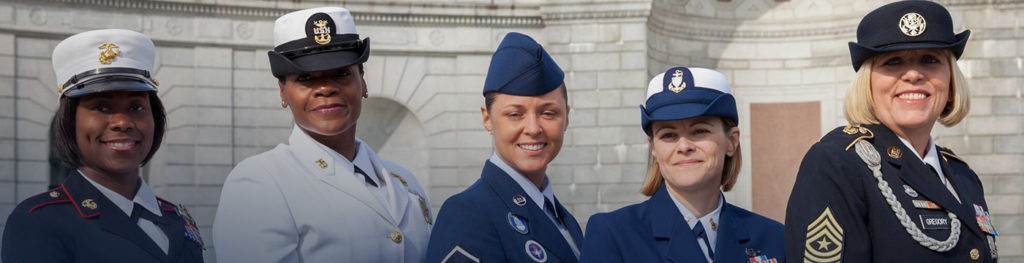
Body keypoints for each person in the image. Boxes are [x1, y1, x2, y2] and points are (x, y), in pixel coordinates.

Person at [212, 7, 432, 263]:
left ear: (363, 82)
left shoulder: (406, 183)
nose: (326, 88)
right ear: (283, 93)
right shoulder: (257, 185)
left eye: (341, 73)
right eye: (306, 79)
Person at [784, 1, 996, 262]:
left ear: (951, 81)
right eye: (892, 62)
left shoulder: (963, 176)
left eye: (930, 60)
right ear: (868, 84)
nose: (913, 74)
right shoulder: (838, 163)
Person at [1, 29, 204, 263]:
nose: (122, 122)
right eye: (101, 107)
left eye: (136, 107)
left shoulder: (176, 218)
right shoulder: (40, 221)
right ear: (70, 120)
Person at [578, 67, 784, 263]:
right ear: (654, 149)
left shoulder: (774, 239)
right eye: (668, 135)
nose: (684, 146)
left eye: (700, 131)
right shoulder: (614, 234)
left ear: (731, 141)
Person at [426, 32, 582, 263]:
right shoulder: (468, 214)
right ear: (487, 119)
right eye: (515, 114)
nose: (533, 128)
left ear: (566, 118)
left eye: (548, 113)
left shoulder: (565, 220)